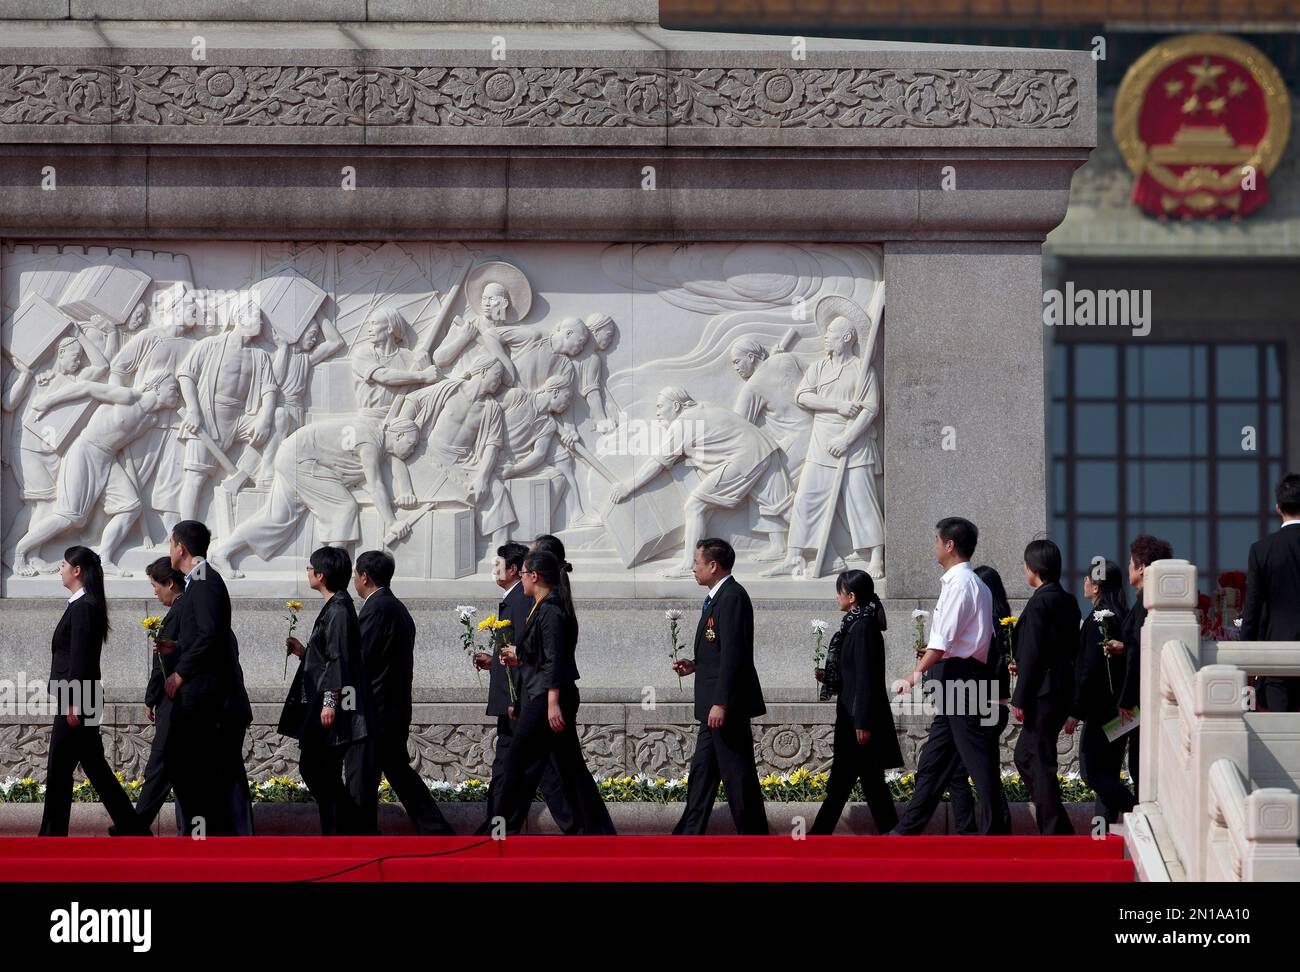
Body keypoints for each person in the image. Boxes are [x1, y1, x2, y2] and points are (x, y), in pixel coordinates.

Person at [890, 518, 1009, 836]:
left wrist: (914, 674)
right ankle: (907, 828)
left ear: (949, 545)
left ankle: (996, 831)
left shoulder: (961, 584)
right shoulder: (974, 584)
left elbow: (943, 643)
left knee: (977, 759)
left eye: (936, 540)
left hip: (961, 678)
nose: (934, 547)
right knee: (934, 759)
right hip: (962, 678)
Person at [497, 550, 615, 834]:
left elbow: (554, 658)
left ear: (534, 576)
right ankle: (598, 831)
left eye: (524, 574)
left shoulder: (550, 609)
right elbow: (542, 652)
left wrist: (552, 703)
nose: (521, 579)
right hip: (547, 695)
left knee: (516, 762)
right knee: (569, 767)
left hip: (547, 699)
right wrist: (519, 655)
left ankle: (498, 830)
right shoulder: (542, 606)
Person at [39, 546, 146, 836]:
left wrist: (73, 701)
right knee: (94, 767)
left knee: (60, 769)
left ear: (77, 570)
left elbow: (81, 658)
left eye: (63, 565)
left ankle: (51, 835)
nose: (59, 570)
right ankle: (132, 827)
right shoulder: (81, 604)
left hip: (78, 697)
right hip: (80, 696)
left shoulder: (84, 606)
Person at [475, 540, 576, 835]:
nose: (522, 579)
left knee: (530, 770)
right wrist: (497, 662)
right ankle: (499, 828)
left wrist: (517, 699)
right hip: (532, 699)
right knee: (526, 770)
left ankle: (498, 830)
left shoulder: (538, 606)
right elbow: (527, 653)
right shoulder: (533, 604)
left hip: (534, 700)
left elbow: (548, 657)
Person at [671, 538, 769, 835]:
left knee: (737, 775)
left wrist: (722, 702)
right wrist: (696, 665)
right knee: (702, 774)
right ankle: (688, 835)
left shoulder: (732, 597)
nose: (693, 568)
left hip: (726, 706)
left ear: (713, 566)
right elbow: (718, 652)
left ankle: (755, 838)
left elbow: (734, 655)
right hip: (713, 705)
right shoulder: (718, 597)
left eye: (697, 563)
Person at [353, 549, 454, 835]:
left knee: (366, 773)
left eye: (355, 576)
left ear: (365, 576)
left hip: (378, 709)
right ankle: (434, 827)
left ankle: (362, 834)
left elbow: (362, 658)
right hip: (392, 707)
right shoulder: (395, 607)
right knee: (396, 769)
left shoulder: (377, 608)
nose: (354, 582)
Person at [280, 547, 376, 836]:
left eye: (310, 568)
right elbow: (329, 655)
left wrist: (331, 702)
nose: (307, 572)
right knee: (322, 769)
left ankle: (352, 828)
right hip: (327, 698)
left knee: (315, 767)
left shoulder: (338, 609)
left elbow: (339, 659)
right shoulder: (337, 606)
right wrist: (304, 652)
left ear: (321, 575)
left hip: (331, 703)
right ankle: (340, 832)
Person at [165, 519, 241, 836]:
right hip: (198, 692)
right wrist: (178, 646)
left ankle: (204, 836)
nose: (169, 550)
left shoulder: (206, 581)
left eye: (171, 544)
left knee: (190, 767)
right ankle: (202, 834)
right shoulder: (198, 580)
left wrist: (180, 674)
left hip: (203, 693)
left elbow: (212, 635)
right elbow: (203, 633)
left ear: (181, 548)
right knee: (187, 766)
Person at [810, 570, 902, 834]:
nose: (836, 597)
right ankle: (892, 832)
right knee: (870, 783)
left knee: (844, 784)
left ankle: (818, 837)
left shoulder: (862, 628)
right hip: (854, 716)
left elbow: (866, 678)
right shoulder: (855, 626)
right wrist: (830, 675)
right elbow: (853, 675)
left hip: (858, 721)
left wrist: (862, 721)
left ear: (851, 597)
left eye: (840, 592)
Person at [1009, 539, 1081, 835]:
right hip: (1060, 689)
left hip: (1042, 692)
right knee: (1028, 757)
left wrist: (1019, 696)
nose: (1024, 570)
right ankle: (1058, 825)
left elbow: (1036, 653)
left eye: (1025, 565)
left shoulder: (1041, 601)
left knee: (1038, 760)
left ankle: (1054, 830)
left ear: (1034, 568)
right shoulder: (1069, 601)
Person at [947, 564, 1013, 835]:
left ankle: (971, 828)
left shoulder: (986, 625)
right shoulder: (1005, 624)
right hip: (996, 706)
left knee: (962, 771)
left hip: (979, 704)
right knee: (985, 769)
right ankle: (996, 825)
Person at [1066, 560, 1134, 825]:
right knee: (1108, 772)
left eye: (1087, 579)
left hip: (1104, 711)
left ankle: (1136, 810)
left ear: (1096, 587)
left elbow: (1089, 672)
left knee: (1092, 772)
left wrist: (1075, 710)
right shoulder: (1124, 618)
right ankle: (1102, 833)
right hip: (1127, 710)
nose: (1084, 583)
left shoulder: (1099, 622)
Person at [129, 557, 189, 833]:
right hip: (179, 700)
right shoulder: (187, 609)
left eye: (156, 585)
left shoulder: (179, 612)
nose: (154, 592)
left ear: (170, 583)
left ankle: (137, 825)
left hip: (173, 700)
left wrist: (150, 698)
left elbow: (163, 664)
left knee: (160, 763)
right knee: (175, 767)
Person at [1112, 534, 1174, 799]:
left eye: (1130, 563)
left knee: (1139, 760)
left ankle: (1138, 809)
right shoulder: (1148, 600)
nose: (1128, 569)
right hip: (1142, 697)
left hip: (1139, 700)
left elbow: (1139, 655)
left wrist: (1125, 700)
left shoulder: (1147, 604)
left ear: (1141, 567)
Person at [1241, 473, 1300, 712]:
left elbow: (1252, 609)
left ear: (1278, 508)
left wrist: (1247, 659)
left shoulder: (1262, 550)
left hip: (1277, 654)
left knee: (1282, 732)